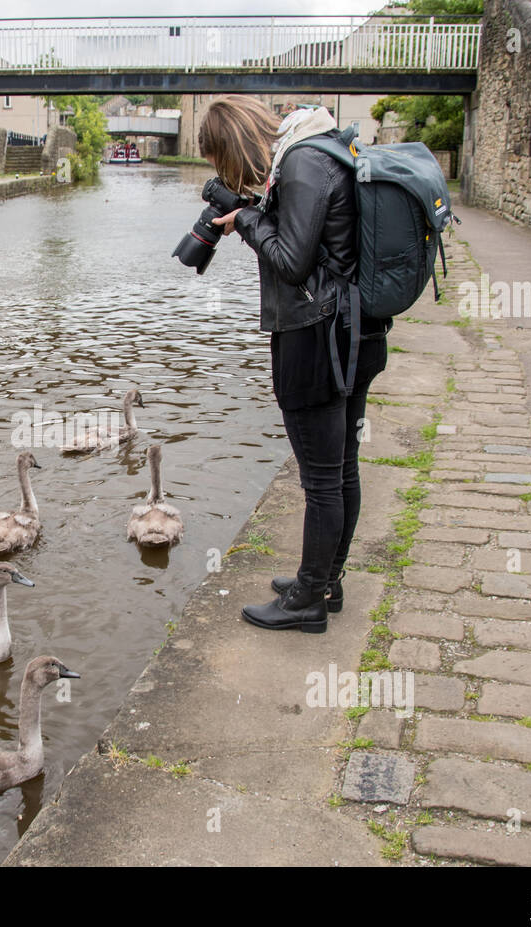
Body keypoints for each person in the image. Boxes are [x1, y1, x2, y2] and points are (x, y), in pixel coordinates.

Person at [197, 95, 390, 635]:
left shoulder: (302, 163)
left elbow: (291, 259)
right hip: (353, 331)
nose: (224, 172)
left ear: (232, 145)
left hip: (317, 339)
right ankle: (323, 581)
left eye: (220, 160)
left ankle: (308, 599)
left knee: (323, 478)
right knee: (341, 466)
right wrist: (260, 210)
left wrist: (248, 220)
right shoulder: (321, 148)